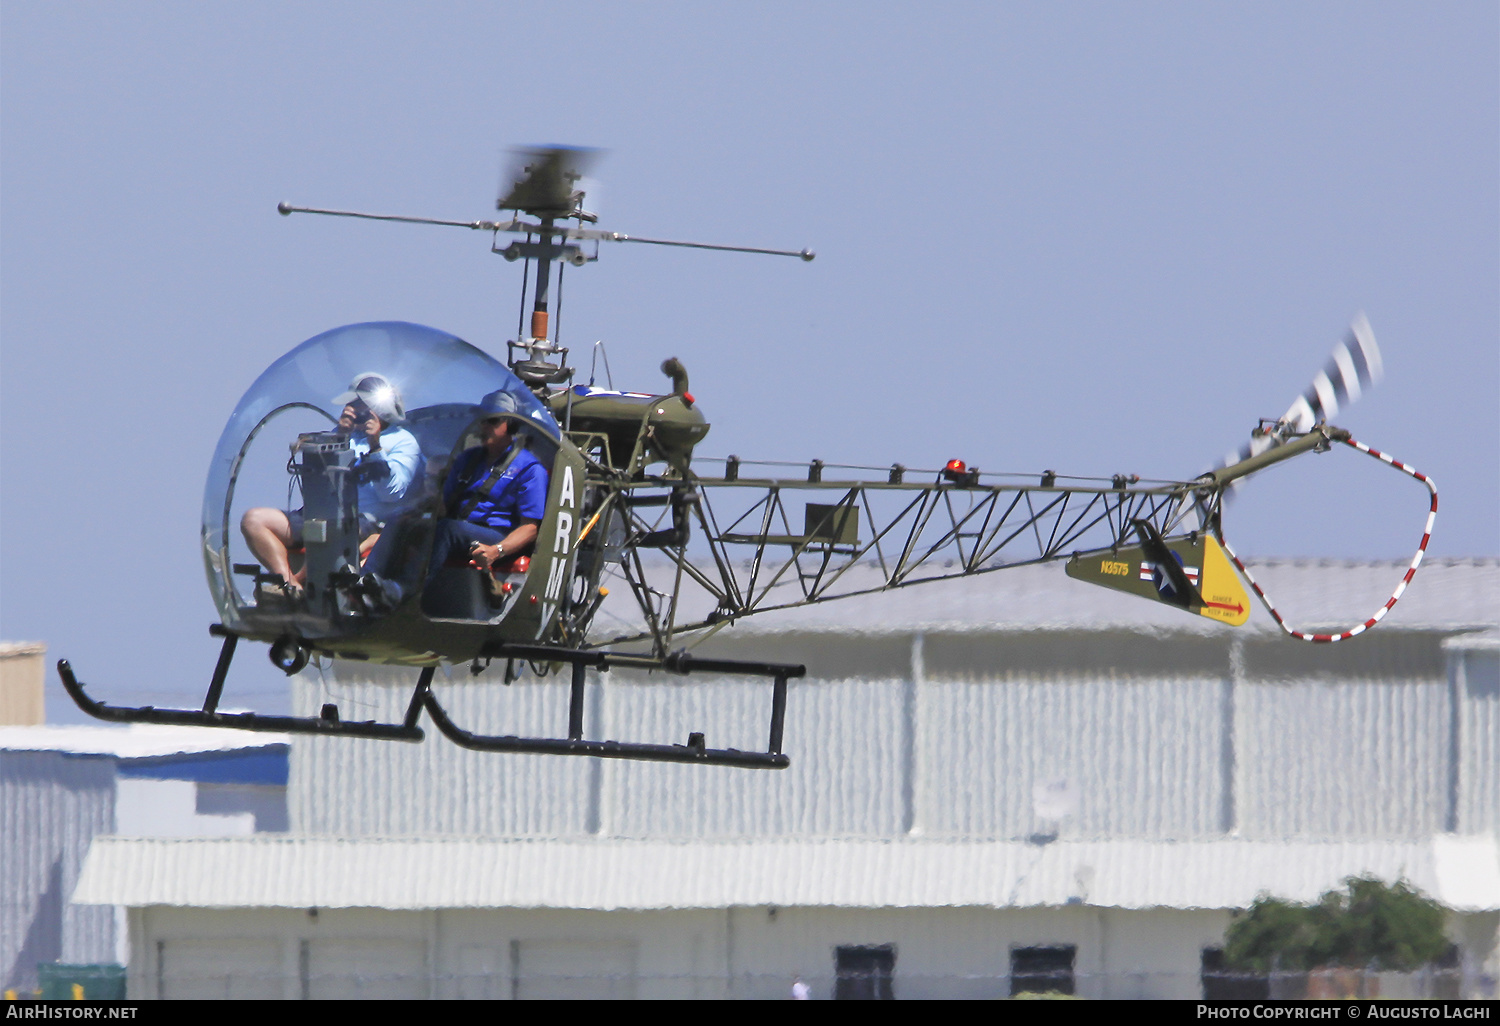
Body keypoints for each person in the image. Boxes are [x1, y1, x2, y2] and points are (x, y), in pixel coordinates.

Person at [361, 388, 548, 607]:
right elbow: (444, 506)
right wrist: (417, 511)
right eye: (483, 420)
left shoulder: (530, 469)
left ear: (511, 426)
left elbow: (530, 529)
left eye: (493, 421)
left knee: (449, 529)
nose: (485, 426)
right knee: (400, 517)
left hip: (497, 535)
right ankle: (364, 582)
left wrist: (496, 551)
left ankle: (402, 590)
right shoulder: (468, 459)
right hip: (460, 529)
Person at [241, 372, 422, 597]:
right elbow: (317, 481)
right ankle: (290, 586)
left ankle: (300, 583)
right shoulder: (345, 435)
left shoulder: (404, 441)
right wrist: (340, 435)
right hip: (322, 512)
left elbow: (392, 494)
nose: (351, 409)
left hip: (367, 521)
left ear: (375, 408)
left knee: (333, 528)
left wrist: (375, 445)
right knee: (254, 520)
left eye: (357, 405)